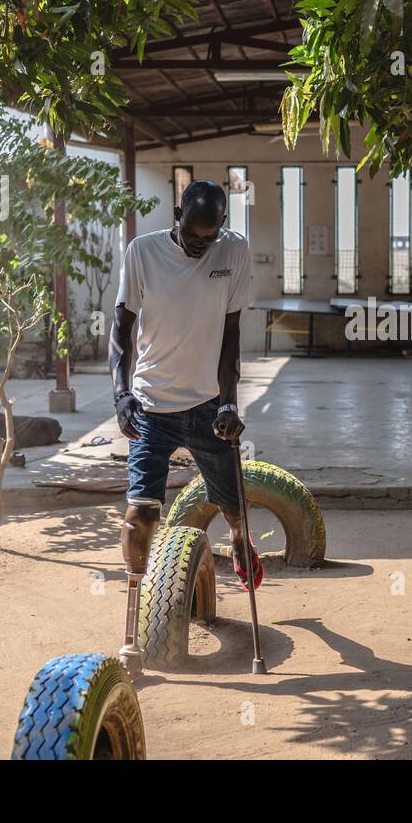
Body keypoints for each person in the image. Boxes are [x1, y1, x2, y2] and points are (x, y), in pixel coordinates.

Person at [110, 180, 255, 675]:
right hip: (152, 405)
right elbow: (121, 329)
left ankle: (238, 540)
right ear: (176, 215)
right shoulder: (142, 252)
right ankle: (131, 633)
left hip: (207, 405)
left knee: (232, 502)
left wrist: (229, 405)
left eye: (208, 239)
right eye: (193, 239)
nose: (200, 248)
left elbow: (231, 337)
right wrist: (120, 393)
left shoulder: (233, 252)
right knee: (140, 514)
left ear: (221, 227)